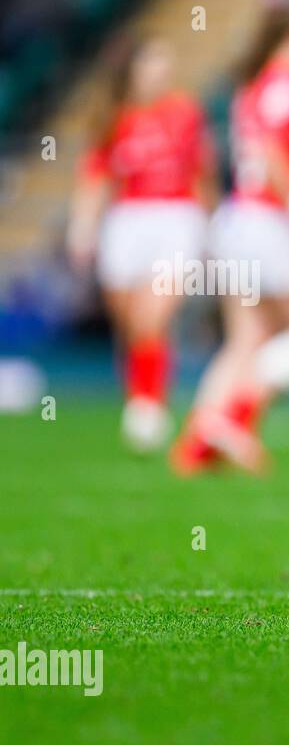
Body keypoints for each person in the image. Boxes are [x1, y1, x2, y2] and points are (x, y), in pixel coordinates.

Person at [171, 0, 289, 475]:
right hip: (268, 225)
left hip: (244, 223)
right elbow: (269, 148)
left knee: (248, 338)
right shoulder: (286, 82)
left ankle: (198, 441)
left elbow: (277, 144)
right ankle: (234, 417)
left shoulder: (263, 83)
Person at [67, 37, 215, 452]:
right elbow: (95, 177)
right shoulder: (112, 116)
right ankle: (140, 400)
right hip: (127, 220)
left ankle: (149, 405)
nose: (161, 71)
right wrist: (83, 228)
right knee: (130, 323)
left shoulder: (185, 113)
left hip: (176, 217)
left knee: (153, 315)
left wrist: (208, 228)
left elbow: (203, 170)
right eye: (152, 62)